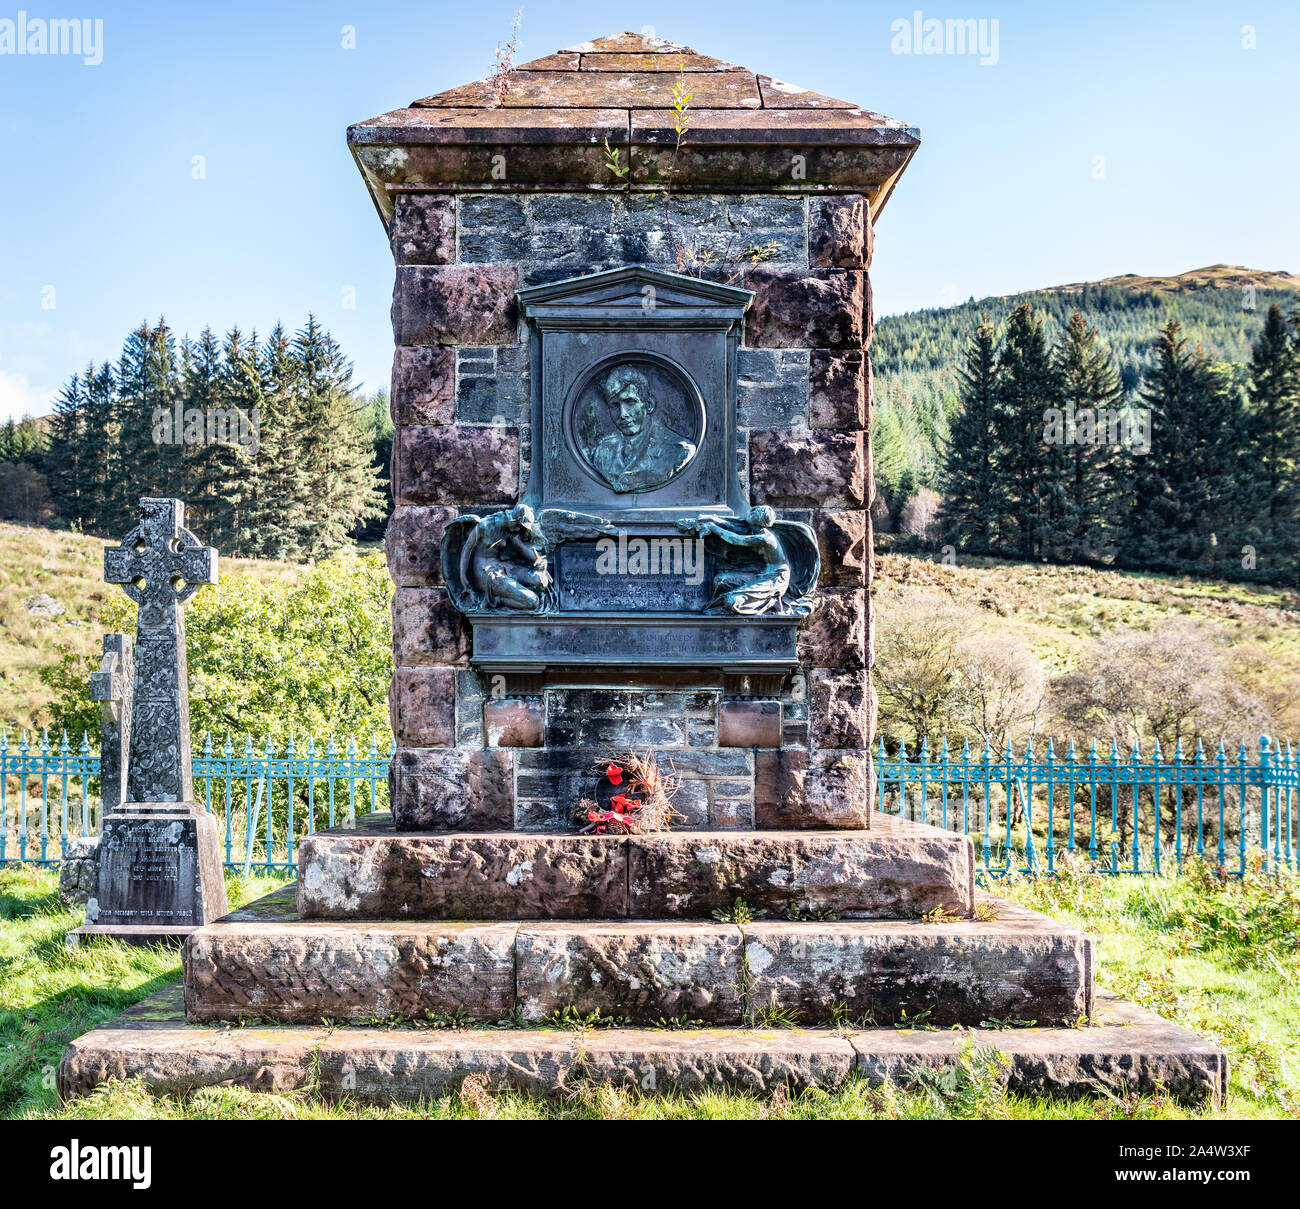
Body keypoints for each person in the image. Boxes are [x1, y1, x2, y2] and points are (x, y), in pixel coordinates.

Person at [587, 364, 696, 492]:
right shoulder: (601, 452)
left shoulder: (677, 450)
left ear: (649, 405)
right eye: (615, 405)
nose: (623, 414)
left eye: (630, 402)